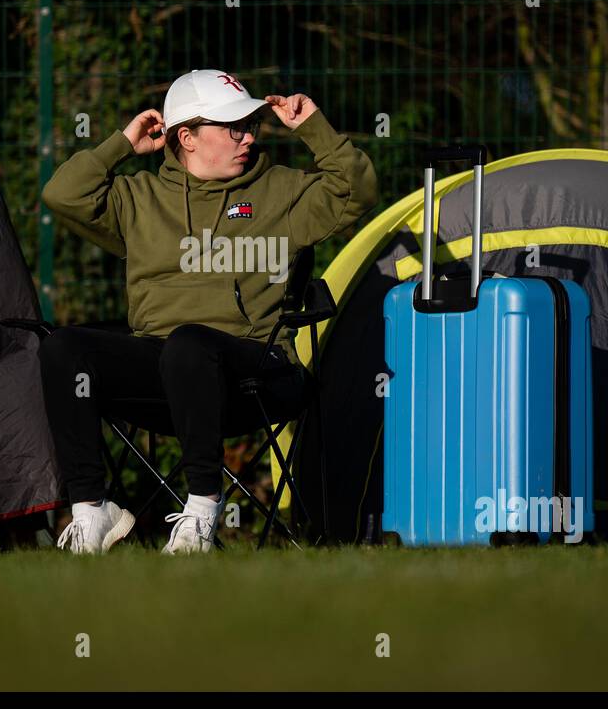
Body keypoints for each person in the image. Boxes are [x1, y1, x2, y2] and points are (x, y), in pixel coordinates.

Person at [39, 69, 378, 553]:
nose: (247, 136)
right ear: (186, 137)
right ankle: (92, 512)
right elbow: (61, 194)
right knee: (63, 347)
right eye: (232, 127)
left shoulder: (281, 192)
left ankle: (201, 512)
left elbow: (358, 191)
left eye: (250, 125)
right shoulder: (141, 200)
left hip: (257, 372)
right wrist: (120, 145)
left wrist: (314, 128)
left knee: (189, 344)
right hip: (162, 371)